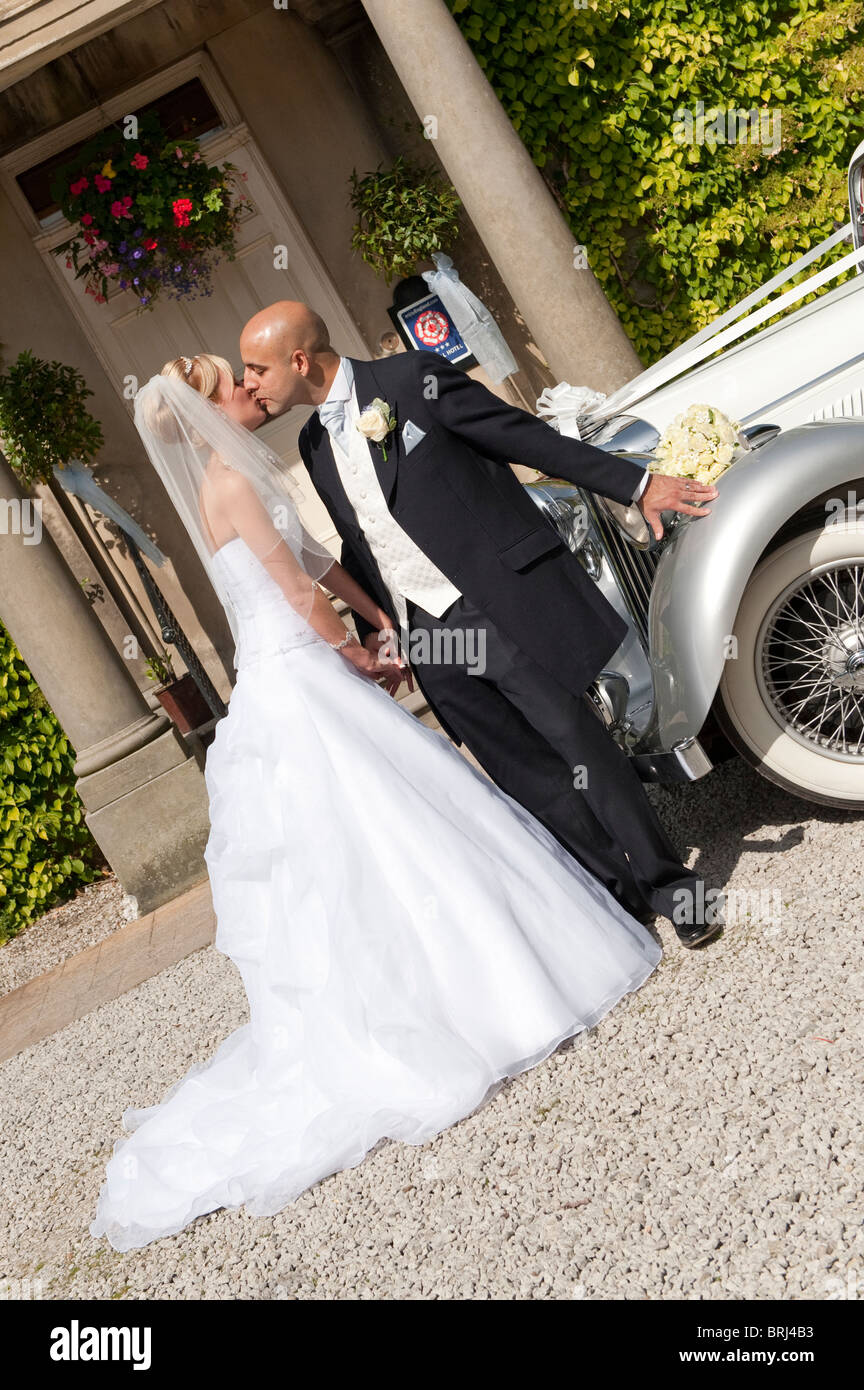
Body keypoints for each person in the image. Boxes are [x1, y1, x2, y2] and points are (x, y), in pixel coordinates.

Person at [89, 352, 661, 1253]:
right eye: (232, 378)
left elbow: (324, 558)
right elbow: (293, 588)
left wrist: (379, 616)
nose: (249, 384)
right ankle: (452, 1001)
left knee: (415, 811)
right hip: (297, 670)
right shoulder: (232, 476)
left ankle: (615, 890)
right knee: (384, 824)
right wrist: (359, 651)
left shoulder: (251, 467)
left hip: (319, 653)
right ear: (211, 407)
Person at [239, 303, 724, 946]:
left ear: (299, 361)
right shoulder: (312, 443)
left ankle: (671, 885)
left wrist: (635, 484)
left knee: (578, 744)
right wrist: (379, 633)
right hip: (429, 634)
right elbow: (364, 542)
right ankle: (618, 900)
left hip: (498, 605)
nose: (250, 384)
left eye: (256, 368)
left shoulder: (412, 380)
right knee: (523, 771)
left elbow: (524, 437)